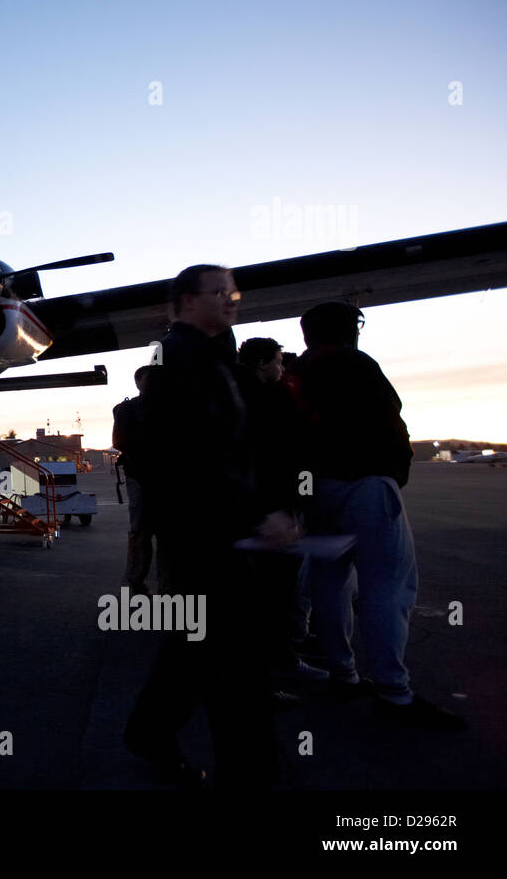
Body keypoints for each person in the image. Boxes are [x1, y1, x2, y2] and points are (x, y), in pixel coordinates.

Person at [123, 265, 299, 789]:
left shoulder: (213, 359)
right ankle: (249, 776)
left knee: (198, 647)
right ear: (184, 302)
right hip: (207, 532)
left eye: (235, 291)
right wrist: (254, 515)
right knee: (235, 666)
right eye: (219, 292)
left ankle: (151, 730)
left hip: (210, 530)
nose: (231, 300)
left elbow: (236, 445)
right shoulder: (180, 361)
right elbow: (194, 453)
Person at [296, 302, 466, 730]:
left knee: (330, 583)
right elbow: (392, 422)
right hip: (366, 485)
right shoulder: (357, 363)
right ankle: (393, 691)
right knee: (388, 585)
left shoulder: (295, 374)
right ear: (349, 329)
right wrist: (394, 474)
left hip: (317, 491)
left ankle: (343, 673)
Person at [237, 337, 329, 693]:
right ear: (262, 364)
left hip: (253, 509)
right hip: (269, 510)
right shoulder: (266, 400)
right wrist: (286, 506)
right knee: (274, 594)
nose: (282, 367)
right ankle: (274, 664)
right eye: (277, 361)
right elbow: (281, 458)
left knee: (257, 595)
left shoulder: (236, 395)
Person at [113, 366, 161, 594]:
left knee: (140, 530)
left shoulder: (124, 409)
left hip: (138, 475)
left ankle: (136, 579)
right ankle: (138, 580)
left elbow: (119, 443)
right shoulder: (129, 409)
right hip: (143, 476)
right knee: (143, 530)